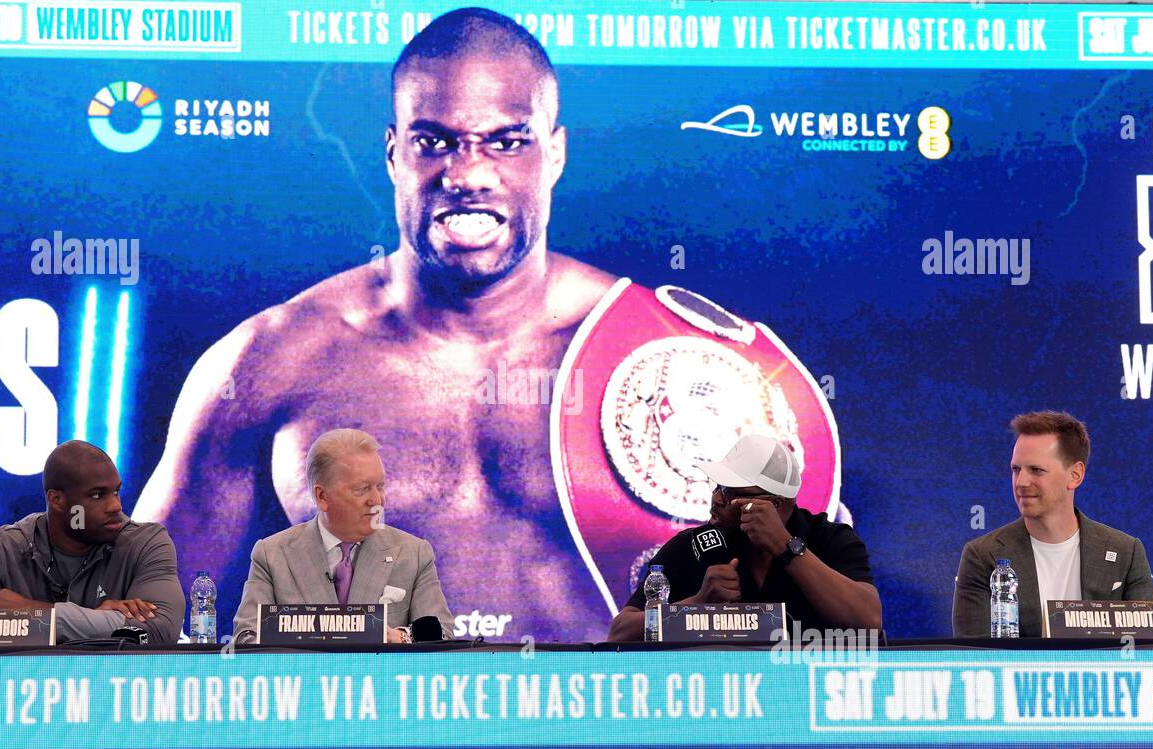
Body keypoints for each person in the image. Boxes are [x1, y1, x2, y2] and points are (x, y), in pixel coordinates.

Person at [132, 7, 836, 641]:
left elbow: (809, 625)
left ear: (554, 153)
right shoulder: (269, 363)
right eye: (434, 141)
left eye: (505, 141)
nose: (467, 172)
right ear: (392, 153)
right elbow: (135, 631)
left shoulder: (685, 363)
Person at [607, 435, 880, 640]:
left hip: (804, 702)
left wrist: (786, 548)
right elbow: (621, 632)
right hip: (725, 703)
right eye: (718, 486)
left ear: (774, 505)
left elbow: (867, 620)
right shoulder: (692, 547)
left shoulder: (829, 540)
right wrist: (696, 605)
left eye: (730, 491)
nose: (716, 498)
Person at [0, 441, 184, 644]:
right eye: (97, 495)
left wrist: (32, 612)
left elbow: (160, 631)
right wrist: (99, 622)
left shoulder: (147, 543)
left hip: (111, 696)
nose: (115, 507)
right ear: (57, 500)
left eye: (116, 492)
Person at [232, 429, 454, 644]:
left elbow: (442, 636)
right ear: (322, 496)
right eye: (361, 489)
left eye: (380, 487)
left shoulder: (413, 554)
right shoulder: (271, 555)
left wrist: (398, 638)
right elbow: (247, 639)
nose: (377, 500)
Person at [953, 411, 1153, 637]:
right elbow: (976, 657)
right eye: (1016, 469)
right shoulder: (982, 556)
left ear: (1075, 475)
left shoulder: (1126, 553)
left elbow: (1147, 652)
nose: (1021, 482)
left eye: (1036, 470)